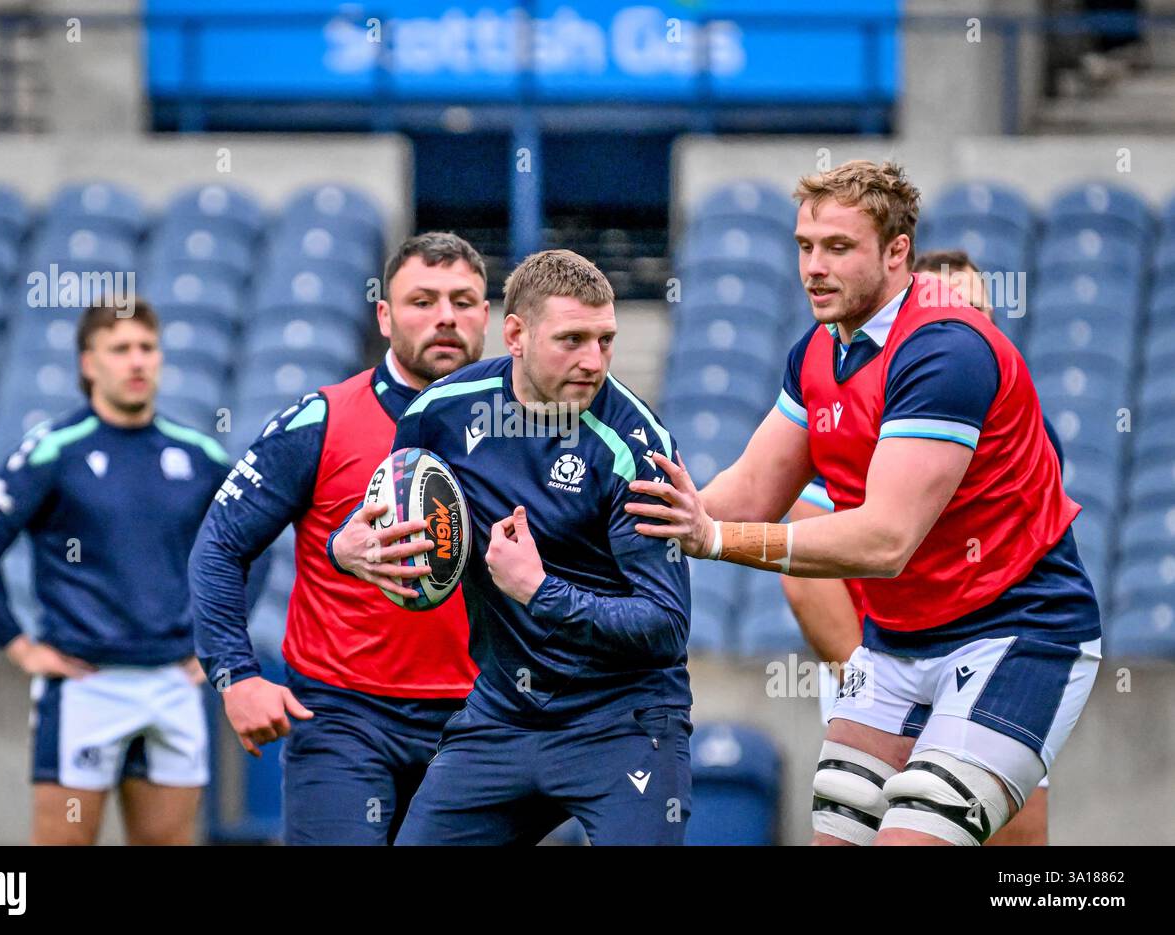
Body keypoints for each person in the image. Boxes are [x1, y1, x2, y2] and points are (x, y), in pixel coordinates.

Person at [630, 161, 1101, 846]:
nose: (814, 267)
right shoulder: (821, 346)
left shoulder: (945, 348)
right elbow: (754, 492)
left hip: (1017, 631)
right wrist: (645, 520)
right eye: (804, 246)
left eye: (838, 247)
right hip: (897, 641)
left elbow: (884, 541)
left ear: (896, 252)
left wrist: (713, 539)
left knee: (951, 843)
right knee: (841, 833)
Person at [331, 249, 693, 845]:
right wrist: (345, 547)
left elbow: (665, 625)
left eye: (606, 340)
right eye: (572, 339)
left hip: (624, 721)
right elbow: (392, 510)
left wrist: (541, 591)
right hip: (503, 714)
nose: (593, 361)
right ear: (516, 334)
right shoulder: (437, 414)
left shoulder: (638, 449)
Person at [189, 232, 488, 844]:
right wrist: (235, 674)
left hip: (480, 722)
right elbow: (219, 545)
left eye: (463, 301)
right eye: (422, 300)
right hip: (344, 719)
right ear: (384, 316)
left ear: (488, 316)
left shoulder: (527, 430)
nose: (445, 318)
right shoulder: (321, 421)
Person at [782, 249, 1057, 845]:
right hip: (889, 661)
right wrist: (878, 684)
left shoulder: (1011, 417)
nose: (969, 325)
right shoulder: (868, 409)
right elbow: (803, 574)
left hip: (988, 659)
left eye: (980, 311)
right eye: (954, 310)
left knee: (1021, 838)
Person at [0, 299, 245, 845]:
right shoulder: (54, 450)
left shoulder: (199, 453)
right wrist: (19, 647)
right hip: (85, 686)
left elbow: (252, 540)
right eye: (120, 349)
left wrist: (222, 641)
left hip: (174, 683)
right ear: (89, 364)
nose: (137, 362)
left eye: (147, 348)